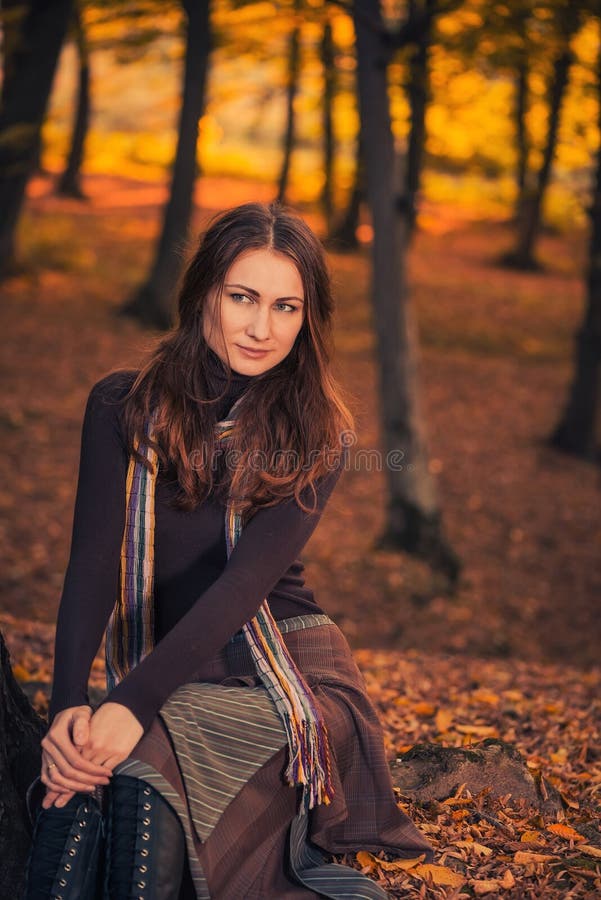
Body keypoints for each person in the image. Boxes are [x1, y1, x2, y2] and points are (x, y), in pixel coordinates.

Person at [23, 201, 432, 899]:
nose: (261, 328)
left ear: (307, 318)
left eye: (285, 306)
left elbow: (243, 587)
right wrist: (68, 708)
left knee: (138, 755)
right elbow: (92, 563)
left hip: (280, 664)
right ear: (205, 291)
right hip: (172, 661)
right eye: (242, 297)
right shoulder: (120, 404)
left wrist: (128, 703)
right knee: (88, 772)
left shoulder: (316, 429)